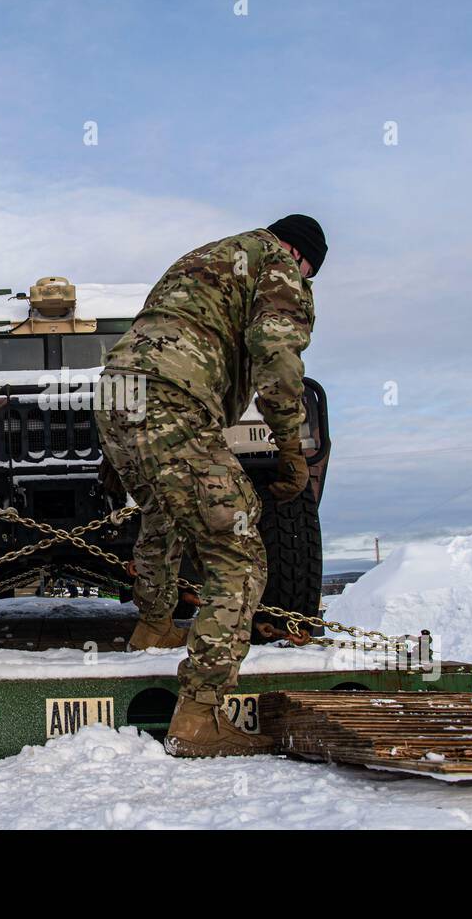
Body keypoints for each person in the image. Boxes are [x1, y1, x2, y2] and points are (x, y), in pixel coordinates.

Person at [96, 214, 326, 756]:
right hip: (172, 397)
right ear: (301, 256)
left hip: (114, 393)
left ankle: (154, 625)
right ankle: (200, 716)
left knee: (166, 513)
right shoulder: (278, 263)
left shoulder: (203, 258)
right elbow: (278, 357)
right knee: (238, 553)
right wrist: (291, 450)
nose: (307, 280)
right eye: (310, 271)